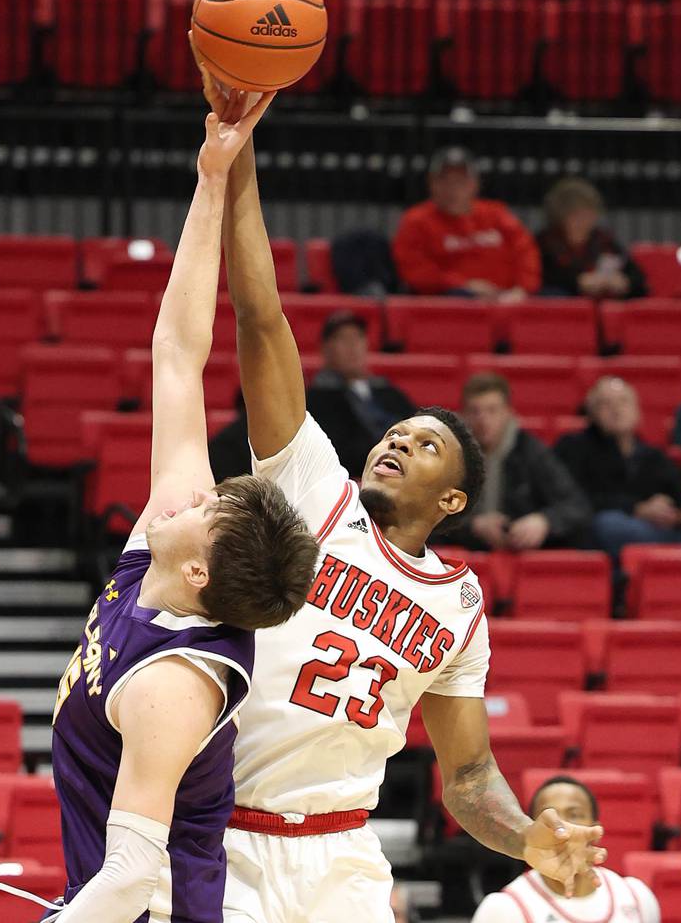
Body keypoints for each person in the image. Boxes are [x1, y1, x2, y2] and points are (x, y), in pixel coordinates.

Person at [194, 63, 606, 923]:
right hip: (223, 833)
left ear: (452, 500)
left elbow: (466, 776)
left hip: (342, 850)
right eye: (395, 431)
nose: (393, 440)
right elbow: (262, 322)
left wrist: (527, 834)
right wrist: (239, 158)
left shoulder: (459, 601)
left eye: (423, 445)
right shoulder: (314, 487)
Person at [0, 96, 319, 923]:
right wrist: (211, 177)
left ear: (199, 566)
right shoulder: (172, 545)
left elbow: (134, 875)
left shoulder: (174, 685)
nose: (192, 495)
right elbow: (176, 352)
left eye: (204, 510)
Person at [471, 775, 660, 922]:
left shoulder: (636, 896)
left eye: (575, 814)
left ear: (596, 827)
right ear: (533, 829)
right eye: (549, 818)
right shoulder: (503, 908)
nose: (562, 826)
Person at [452, 373, 591, 551]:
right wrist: (473, 526)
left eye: (492, 410)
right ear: (463, 416)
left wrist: (544, 521)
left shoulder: (530, 450)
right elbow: (428, 516)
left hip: (523, 553)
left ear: (508, 413)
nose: (483, 419)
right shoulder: (449, 454)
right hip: (463, 555)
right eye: (475, 411)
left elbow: (576, 506)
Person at [556, 377, 681, 559]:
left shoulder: (653, 455)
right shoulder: (573, 446)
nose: (617, 409)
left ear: (637, 411)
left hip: (654, 531)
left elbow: (676, 492)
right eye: (606, 403)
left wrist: (678, 513)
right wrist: (637, 508)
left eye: (623, 402)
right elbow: (575, 499)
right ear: (591, 413)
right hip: (601, 534)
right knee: (609, 524)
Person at [392, 147, 540, 301]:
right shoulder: (416, 220)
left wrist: (522, 289)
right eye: (444, 180)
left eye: (460, 181)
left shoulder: (497, 214)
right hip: (450, 305)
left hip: (509, 302)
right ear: (431, 183)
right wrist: (464, 285)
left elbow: (526, 252)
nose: (453, 189)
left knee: (554, 296)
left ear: (474, 184)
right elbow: (415, 270)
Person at [306, 310, 416, 476]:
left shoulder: (389, 392)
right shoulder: (317, 400)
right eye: (342, 339)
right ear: (325, 349)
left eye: (358, 337)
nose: (352, 346)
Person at [536, 178, 647, 299]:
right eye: (576, 215)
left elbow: (637, 277)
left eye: (589, 214)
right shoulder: (545, 243)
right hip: (566, 307)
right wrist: (578, 281)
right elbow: (542, 277)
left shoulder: (604, 241)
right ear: (560, 216)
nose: (584, 221)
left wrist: (624, 281)